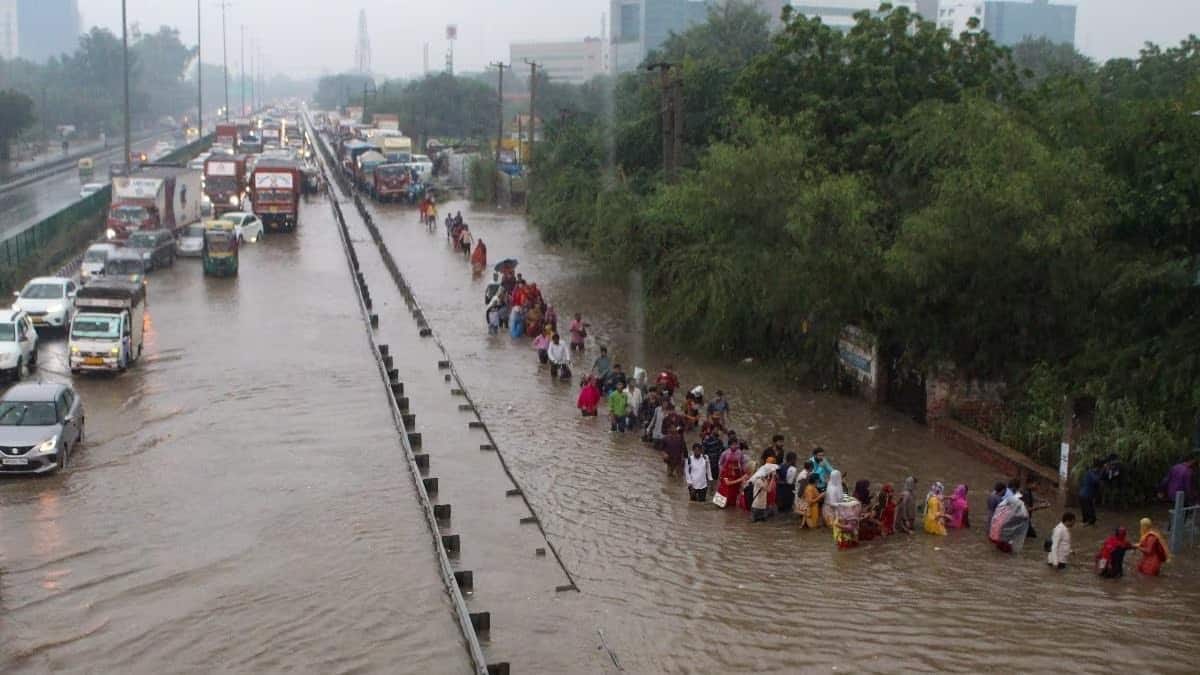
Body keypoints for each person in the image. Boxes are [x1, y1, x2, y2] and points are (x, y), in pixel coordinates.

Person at [748, 455, 779, 522]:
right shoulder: (758, 480)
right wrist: (772, 478)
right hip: (757, 507)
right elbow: (769, 490)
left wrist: (770, 478)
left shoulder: (764, 479)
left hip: (763, 507)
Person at [1078, 460, 1104, 525]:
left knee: (1089, 509)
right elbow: (1096, 480)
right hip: (1085, 494)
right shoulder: (1090, 473)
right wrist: (1102, 472)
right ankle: (1087, 522)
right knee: (1087, 509)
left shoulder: (1091, 473)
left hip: (1086, 494)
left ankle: (1088, 521)